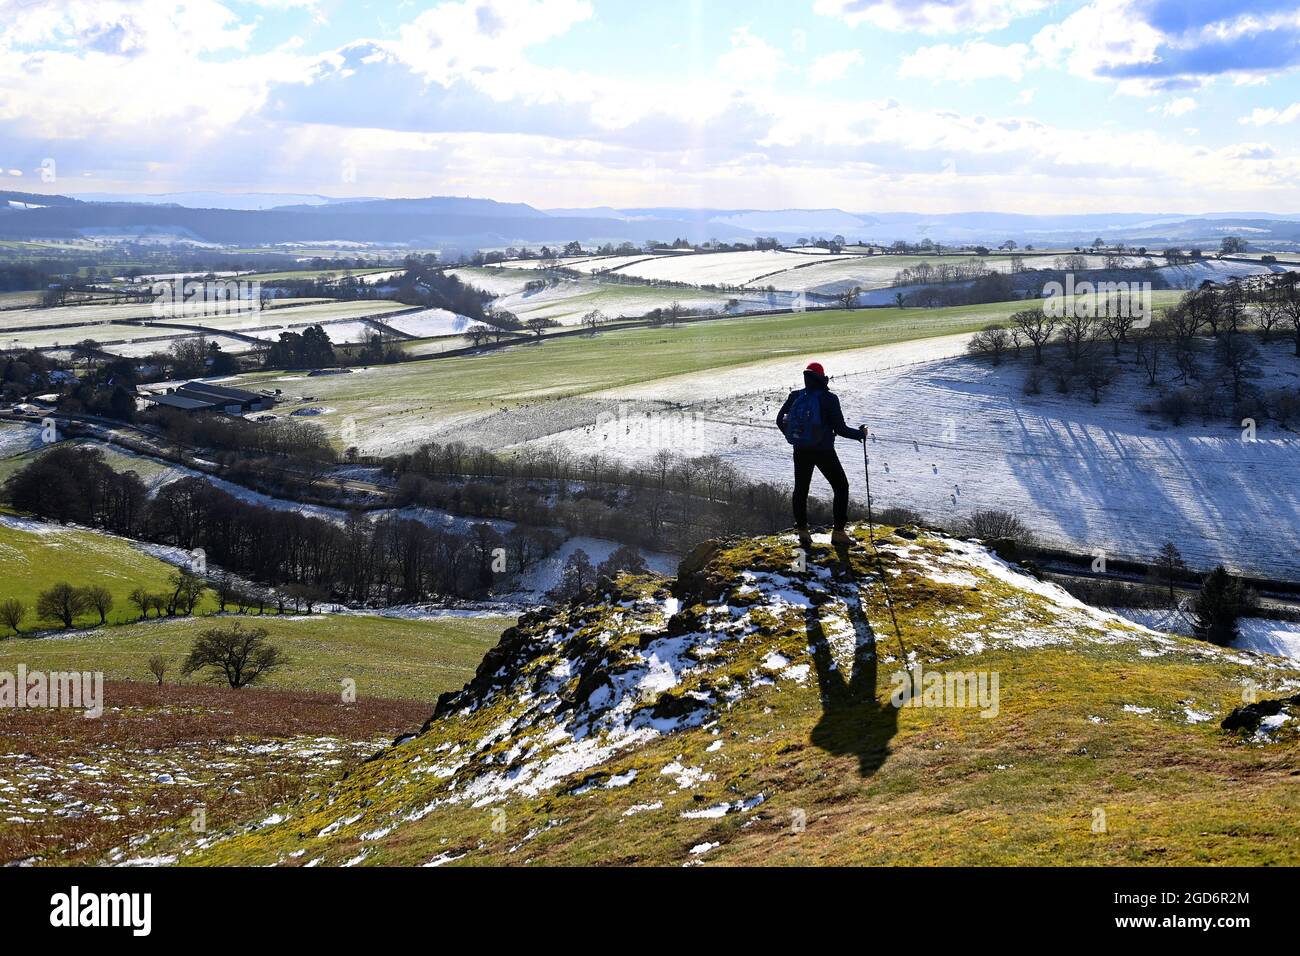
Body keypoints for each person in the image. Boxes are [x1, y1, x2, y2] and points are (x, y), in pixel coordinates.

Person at [776, 361, 866, 547]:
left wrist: (794, 437)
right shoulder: (829, 399)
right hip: (824, 450)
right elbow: (840, 429)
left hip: (800, 450)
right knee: (841, 486)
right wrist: (860, 434)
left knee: (801, 489)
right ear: (822, 377)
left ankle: (802, 531)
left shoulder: (795, 396)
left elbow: (779, 419)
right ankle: (839, 533)